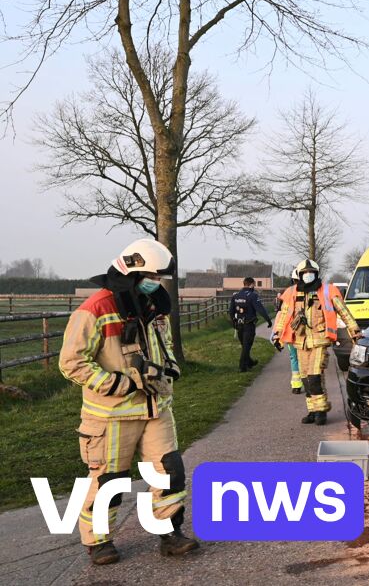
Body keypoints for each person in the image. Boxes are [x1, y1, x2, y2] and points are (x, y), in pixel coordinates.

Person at [58, 238, 199, 565]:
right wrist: (117, 383)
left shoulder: (152, 306)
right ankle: (99, 542)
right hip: (112, 415)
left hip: (156, 410)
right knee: (110, 481)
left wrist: (169, 369)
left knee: (169, 471)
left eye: (160, 278)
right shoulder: (94, 310)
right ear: (132, 274)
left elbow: (161, 347)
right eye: (153, 277)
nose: (157, 283)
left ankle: (169, 533)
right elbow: (72, 362)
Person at [272, 259, 362, 425]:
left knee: (314, 376)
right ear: (299, 275)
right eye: (305, 273)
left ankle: (321, 412)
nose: (308, 276)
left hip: (320, 341)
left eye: (311, 273)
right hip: (300, 342)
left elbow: (344, 312)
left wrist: (354, 332)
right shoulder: (292, 293)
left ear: (316, 274)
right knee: (306, 379)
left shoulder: (328, 291)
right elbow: (283, 316)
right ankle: (312, 411)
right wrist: (277, 336)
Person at [229, 277, 272, 372]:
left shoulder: (236, 296)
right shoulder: (253, 296)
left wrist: (234, 323)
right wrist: (268, 320)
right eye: (254, 284)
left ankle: (249, 362)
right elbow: (260, 309)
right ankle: (242, 366)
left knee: (245, 346)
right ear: (251, 284)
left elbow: (231, 312)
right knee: (247, 346)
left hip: (239, 324)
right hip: (249, 325)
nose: (254, 286)